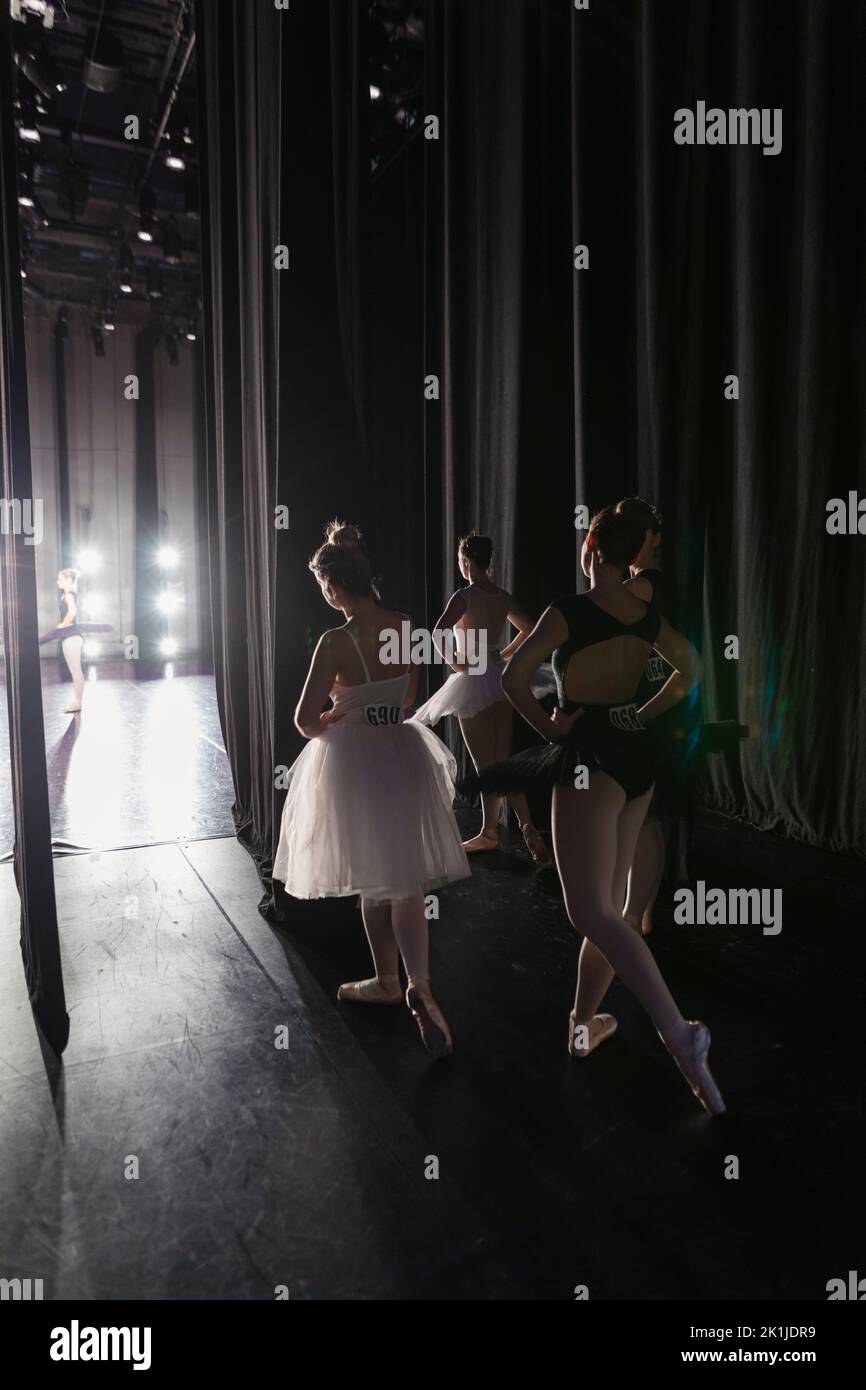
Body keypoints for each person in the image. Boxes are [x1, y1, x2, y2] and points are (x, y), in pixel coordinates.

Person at [461, 507, 725, 1115]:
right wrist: (645, 713)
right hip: (637, 765)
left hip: (590, 763)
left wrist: (551, 726)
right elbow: (694, 669)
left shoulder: (569, 612)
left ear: (592, 548)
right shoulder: (643, 612)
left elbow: (512, 680)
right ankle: (583, 1025)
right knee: (609, 911)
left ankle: (679, 1035)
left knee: (590, 914)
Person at [273, 524, 470, 1058]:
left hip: (355, 758)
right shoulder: (404, 624)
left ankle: (386, 980)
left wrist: (339, 713)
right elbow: (407, 693)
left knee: (369, 876)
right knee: (406, 876)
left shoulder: (334, 641)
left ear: (335, 587)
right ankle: (420, 984)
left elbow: (304, 721)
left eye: (322, 588)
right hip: (402, 749)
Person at [412, 533, 551, 864]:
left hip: (473, 679)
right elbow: (530, 629)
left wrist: (454, 662)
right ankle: (523, 828)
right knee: (502, 759)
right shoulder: (501, 596)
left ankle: (493, 833)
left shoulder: (465, 595)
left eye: (461, 561)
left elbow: (438, 631)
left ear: (466, 561)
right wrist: (501, 654)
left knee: (483, 762)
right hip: (499, 678)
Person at [38, 568, 111, 714]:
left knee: (76, 670)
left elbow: (72, 612)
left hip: (72, 636)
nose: (58, 582)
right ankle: (77, 701)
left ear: (69, 580)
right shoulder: (66, 595)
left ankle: (78, 702)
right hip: (68, 636)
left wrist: (63, 624)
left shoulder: (70, 595)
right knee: (74, 670)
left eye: (60, 579)